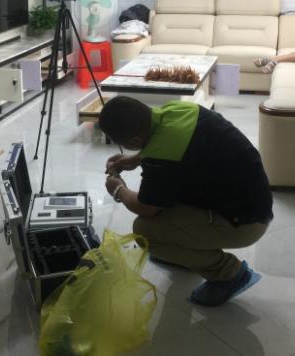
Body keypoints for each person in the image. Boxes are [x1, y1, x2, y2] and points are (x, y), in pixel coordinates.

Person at [99, 96, 273, 307]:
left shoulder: (162, 158)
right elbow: (171, 144)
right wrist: (134, 160)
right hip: (254, 201)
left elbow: (145, 207)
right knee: (166, 207)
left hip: (244, 223)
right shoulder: (177, 110)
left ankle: (229, 273)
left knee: (145, 231)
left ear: (134, 141)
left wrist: (118, 189)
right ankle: (185, 254)